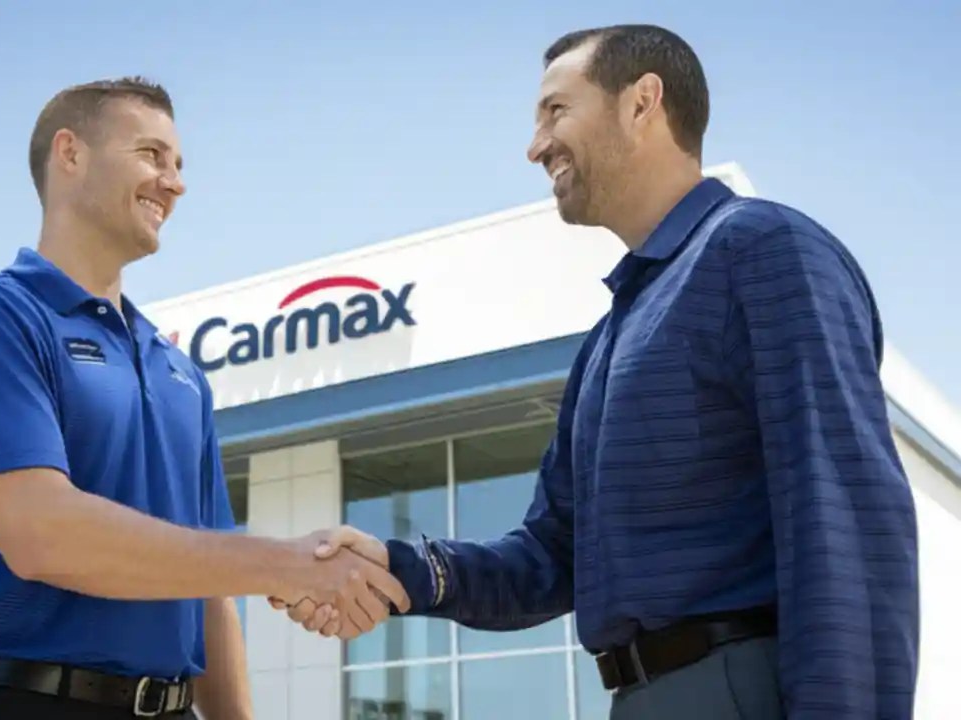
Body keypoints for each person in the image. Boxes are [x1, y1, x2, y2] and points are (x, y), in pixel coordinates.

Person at [274, 24, 920, 720]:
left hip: (739, 686)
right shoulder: (610, 336)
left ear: (642, 103)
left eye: (556, 111)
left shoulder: (761, 251)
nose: (535, 145)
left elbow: (844, 522)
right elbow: (550, 558)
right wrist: (402, 569)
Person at [0, 77, 409, 720]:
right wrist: (287, 565)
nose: (174, 183)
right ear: (70, 153)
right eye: (152, 155)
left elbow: (211, 595)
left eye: (178, 165)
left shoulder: (179, 372)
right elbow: (40, 534)